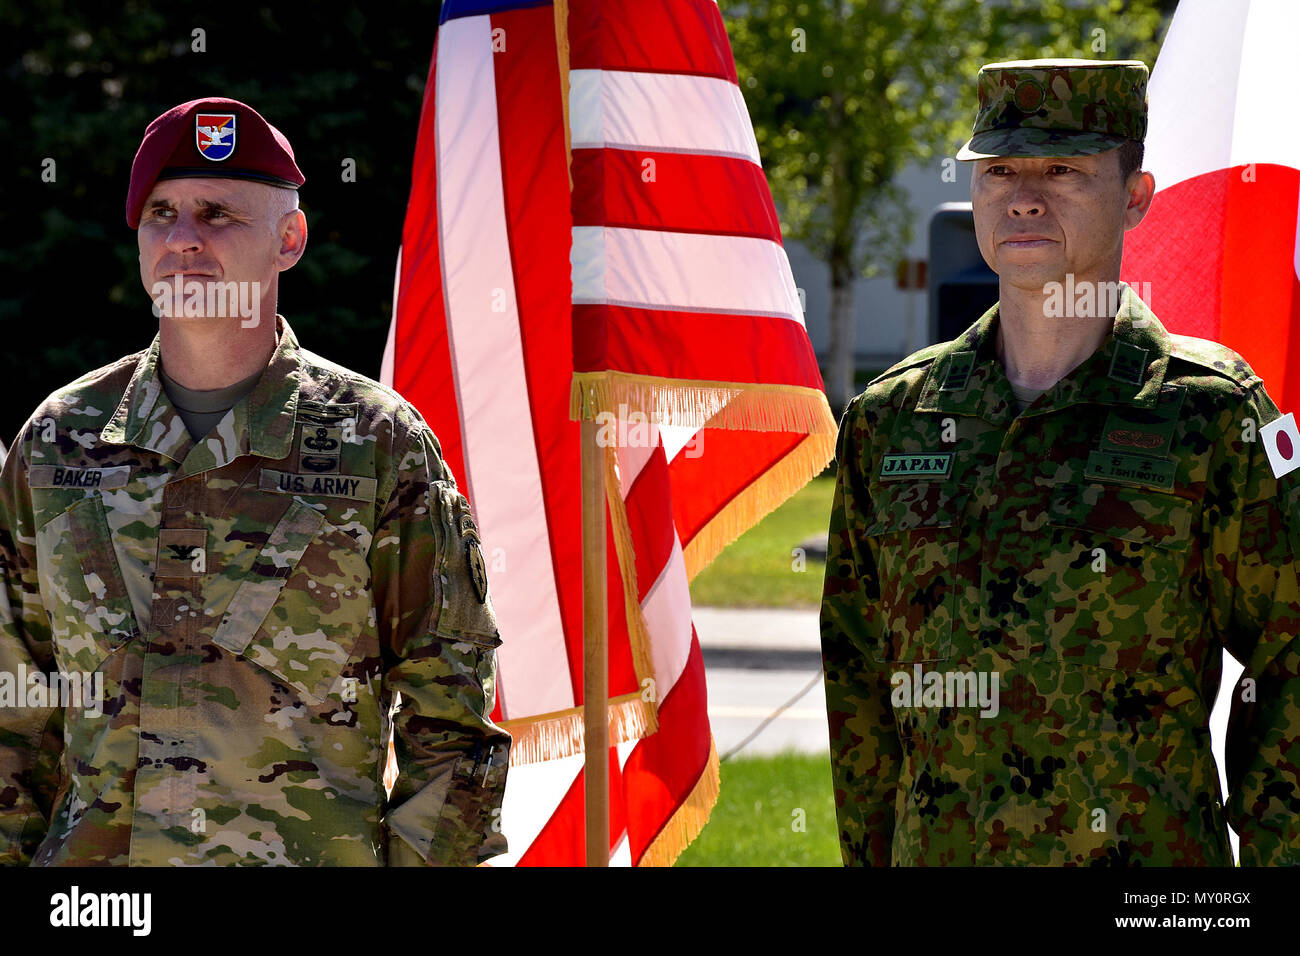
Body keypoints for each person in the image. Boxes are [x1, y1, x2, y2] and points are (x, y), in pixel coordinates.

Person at [0, 97, 510, 866]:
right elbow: (15, 713)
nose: (184, 241)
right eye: (161, 214)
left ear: (289, 239)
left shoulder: (375, 445)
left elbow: (452, 721)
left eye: (217, 214)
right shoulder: (57, 443)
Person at [820, 59, 1300, 865]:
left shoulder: (1210, 413)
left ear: (1137, 196)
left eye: (1065, 170)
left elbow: (1288, 670)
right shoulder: (894, 421)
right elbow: (859, 688)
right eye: (1000, 169)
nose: (1026, 195)